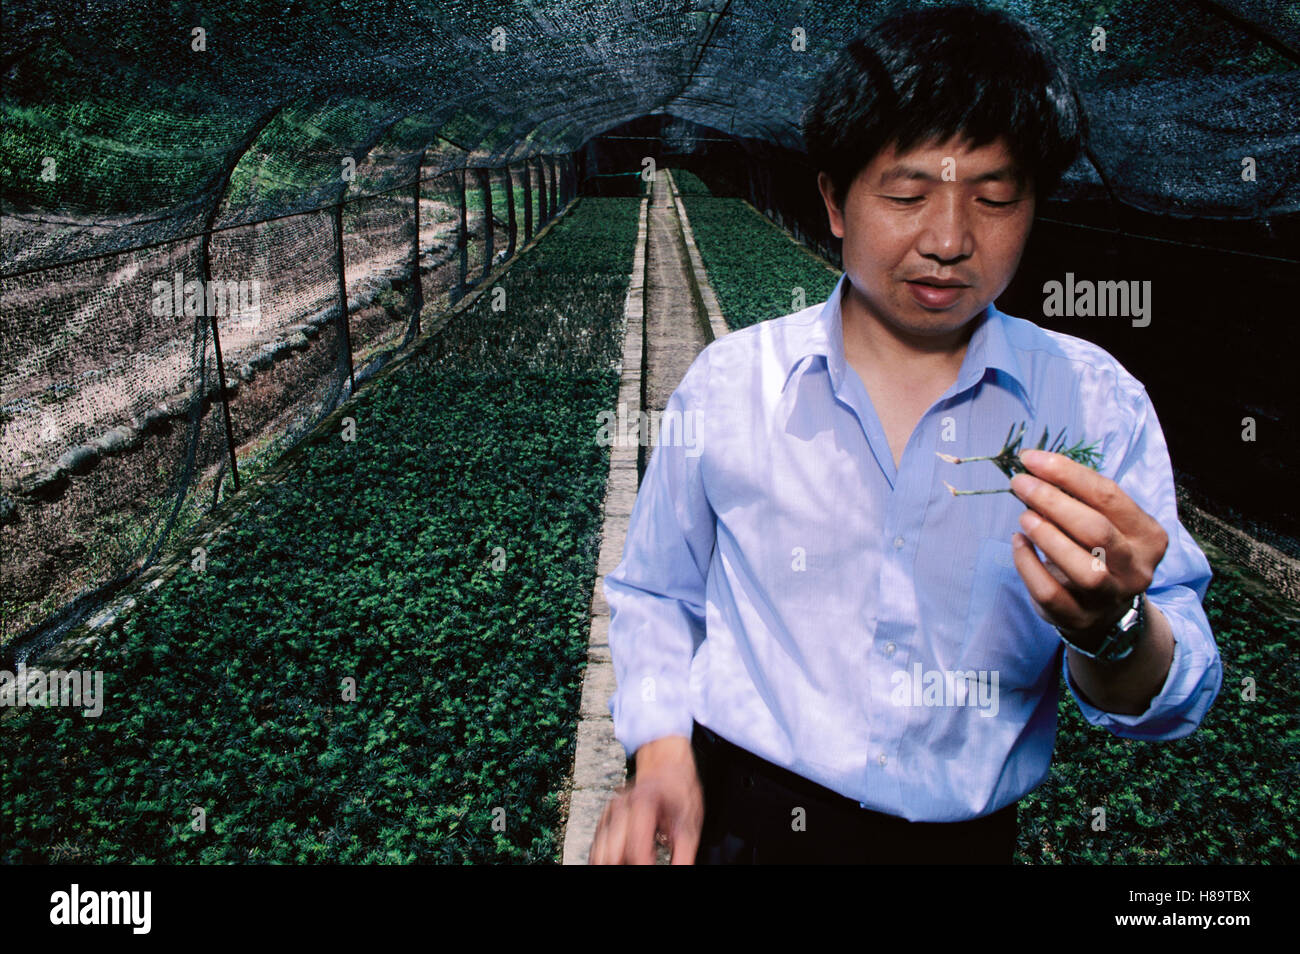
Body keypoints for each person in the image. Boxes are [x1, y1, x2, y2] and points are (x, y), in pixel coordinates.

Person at [589, 1, 1222, 865]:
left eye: (996, 199)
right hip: (749, 821)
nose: (951, 240)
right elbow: (659, 591)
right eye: (906, 194)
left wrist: (1112, 626)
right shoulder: (733, 385)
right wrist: (661, 750)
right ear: (835, 202)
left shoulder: (1093, 404)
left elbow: (1178, 691)